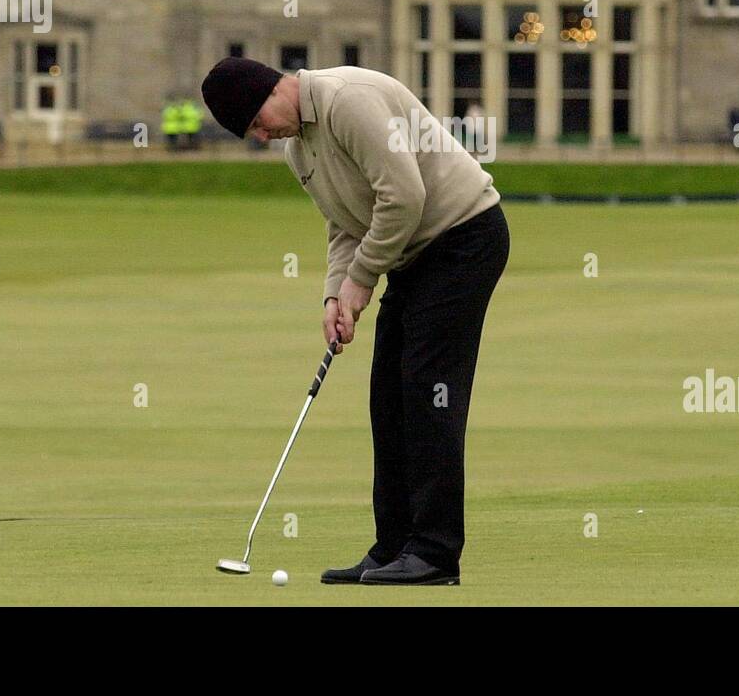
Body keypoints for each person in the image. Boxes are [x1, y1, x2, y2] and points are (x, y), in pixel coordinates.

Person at [200, 57, 510, 586]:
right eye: (250, 133)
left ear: (272, 90)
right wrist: (333, 296)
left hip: (463, 238)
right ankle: (394, 547)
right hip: (412, 255)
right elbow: (346, 220)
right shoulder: (296, 147)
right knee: (387, 396)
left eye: (256, 122)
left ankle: (434, 554)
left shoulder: (346, 100)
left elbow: (404, 195)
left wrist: (362, 279)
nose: (261, 136)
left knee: (428, 392)